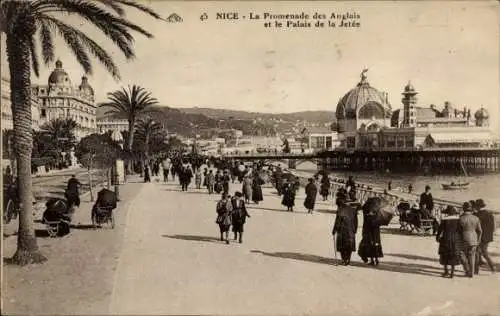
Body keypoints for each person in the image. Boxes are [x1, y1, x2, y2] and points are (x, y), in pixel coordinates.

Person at [332, 193, 358, 265]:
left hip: (342, 230)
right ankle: (348, 260)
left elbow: (337, 220)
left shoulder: (341, 209)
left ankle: (343, 259)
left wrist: (334, 230)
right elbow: (356, 221)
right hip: (350, 230)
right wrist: (355, 229)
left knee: (342, 246)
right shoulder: (353, 209)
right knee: (349, 246)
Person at [458, 201, 482, 278]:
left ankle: (467, 269)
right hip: (474, 239)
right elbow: (480, 231)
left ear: (463, 209)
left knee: (461, 254)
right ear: (471, 209)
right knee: (472, 256)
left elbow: (458, 231)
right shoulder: (476, 218)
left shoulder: (460, 218)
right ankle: (471, 273)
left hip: (463, 239)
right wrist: (479, 240)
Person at [436, 206, 461, 278]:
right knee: (453, 254)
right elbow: (460, 230)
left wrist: (437, 237)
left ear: (447, 213)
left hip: (445, 238)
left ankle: (446, 271)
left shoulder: (444, 220)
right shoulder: (457, 220)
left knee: (444, 255)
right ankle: (452, 272)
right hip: (454, 239)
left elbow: (440, 230)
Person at [358, 200, 384, 266]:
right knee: (375, 245)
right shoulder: (378, 215)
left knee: (369, 245)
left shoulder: (367, 215)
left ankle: (372, 260)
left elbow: (366, 225)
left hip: (369, 233)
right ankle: (376, 260)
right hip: (376, 234)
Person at [474, 199, 495, 274]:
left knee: (479, 252)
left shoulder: (478, 215)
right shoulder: (490, 214)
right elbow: (493, 227)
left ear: (478, 207)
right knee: (484, 252)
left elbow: (477, 228)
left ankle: (476, 270)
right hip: (488, 237)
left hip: (480, 236)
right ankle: (492, 267)